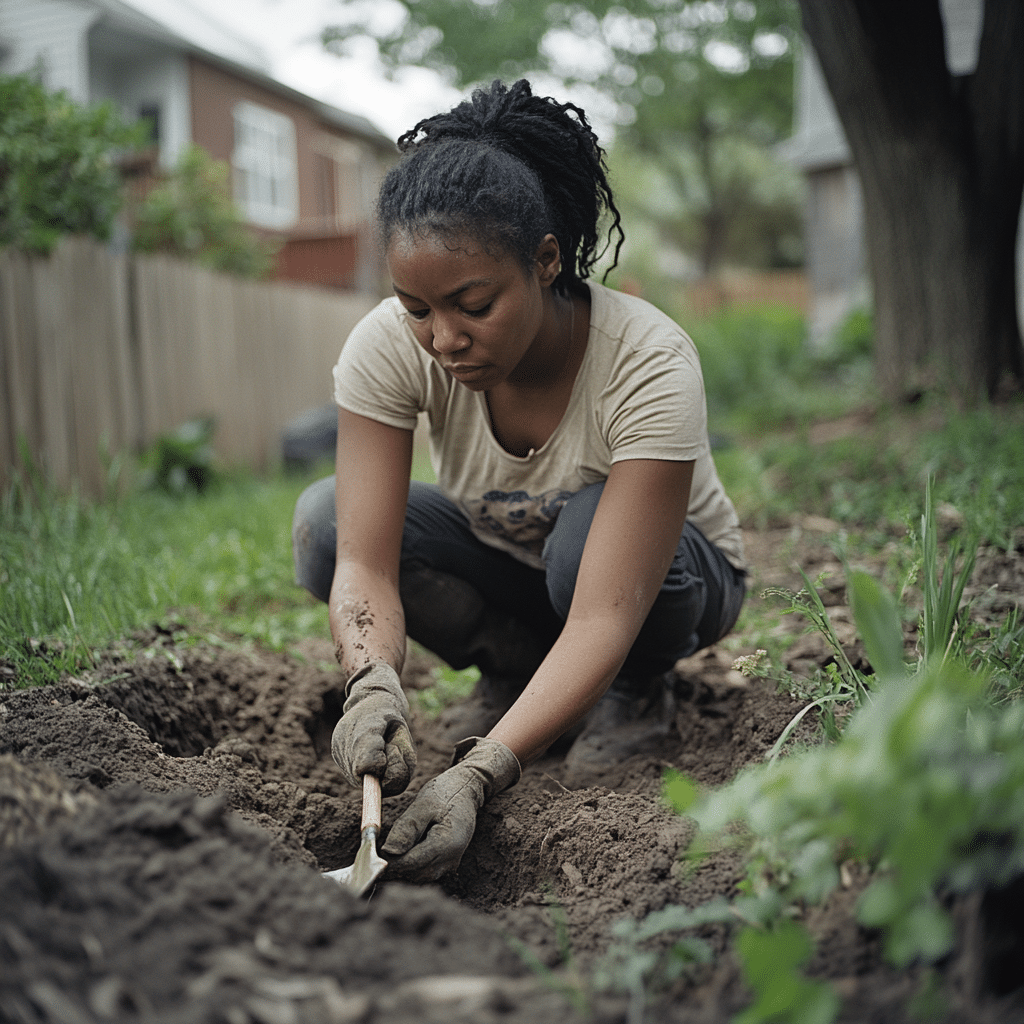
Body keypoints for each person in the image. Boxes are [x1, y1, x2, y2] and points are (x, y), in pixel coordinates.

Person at [292, 79, 746, 883]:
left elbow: (607, 610)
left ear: (545, 261)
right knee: (324, 522)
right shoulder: (390, 348)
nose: (443, 338)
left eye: (472, 304)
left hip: (661, 588)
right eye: (416, 308)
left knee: (582, 535)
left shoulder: (648, 361)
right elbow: (361, 560)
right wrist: (371, 681)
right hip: (522, 571)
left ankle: (637, 690)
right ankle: (517, 667)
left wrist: (478, 772)